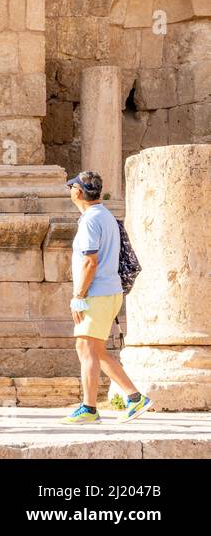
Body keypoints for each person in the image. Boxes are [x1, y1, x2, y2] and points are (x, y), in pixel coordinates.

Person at [61, 171, 153, 424]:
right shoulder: (106, 216)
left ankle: (89, 408)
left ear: (79, 192)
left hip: (97, 293)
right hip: (109, 291)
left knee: (86, 348)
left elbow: (90, 262)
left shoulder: (90, 220)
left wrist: (78, 296)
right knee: (95, 350)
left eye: (72, 187)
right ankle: (134, 397)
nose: (70, 191)